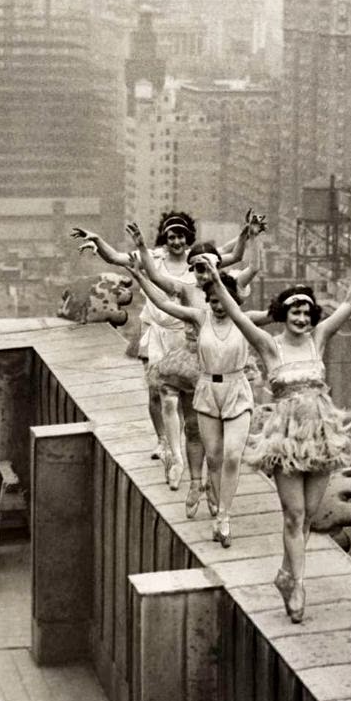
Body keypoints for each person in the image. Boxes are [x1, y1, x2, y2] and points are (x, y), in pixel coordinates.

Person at [204, 235, 351, 623]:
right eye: (295, 312)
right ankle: (297, 586)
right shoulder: (268, 345)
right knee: (293, 515)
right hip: (284, 437)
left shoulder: (319, 338)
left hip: (319, 436)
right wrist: (216, 280)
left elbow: (349, 304)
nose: (302, 319)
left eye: (307, 313)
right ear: (284, 314)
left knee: (311, 515)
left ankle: (285, 573)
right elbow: (237, 315)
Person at [70, 212, 257, 492]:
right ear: (165, 238)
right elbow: (119, 259)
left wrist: (248, 234)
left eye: (181, 236)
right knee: (161, 395)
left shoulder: (201, 265)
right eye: (172, 236)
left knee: (190, 408)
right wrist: (100, 240)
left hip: (187, 336)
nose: (177, 241)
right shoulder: (154, 258)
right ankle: (169, 447)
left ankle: (194, 457)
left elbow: (236, 253)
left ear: (188, 238)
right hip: (158, 330)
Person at [126, 223, 270, 547]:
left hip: (231, 375)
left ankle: (220, 508)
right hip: (197, 368)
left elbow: (251, 267)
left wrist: (253, 237)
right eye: (199, 267)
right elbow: (162, 296)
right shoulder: (194, 301)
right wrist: (141, 268)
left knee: (226, 453)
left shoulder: (232, 294)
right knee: (197, 435)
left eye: (209, 265)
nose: (204, 272)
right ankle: (196, 483)